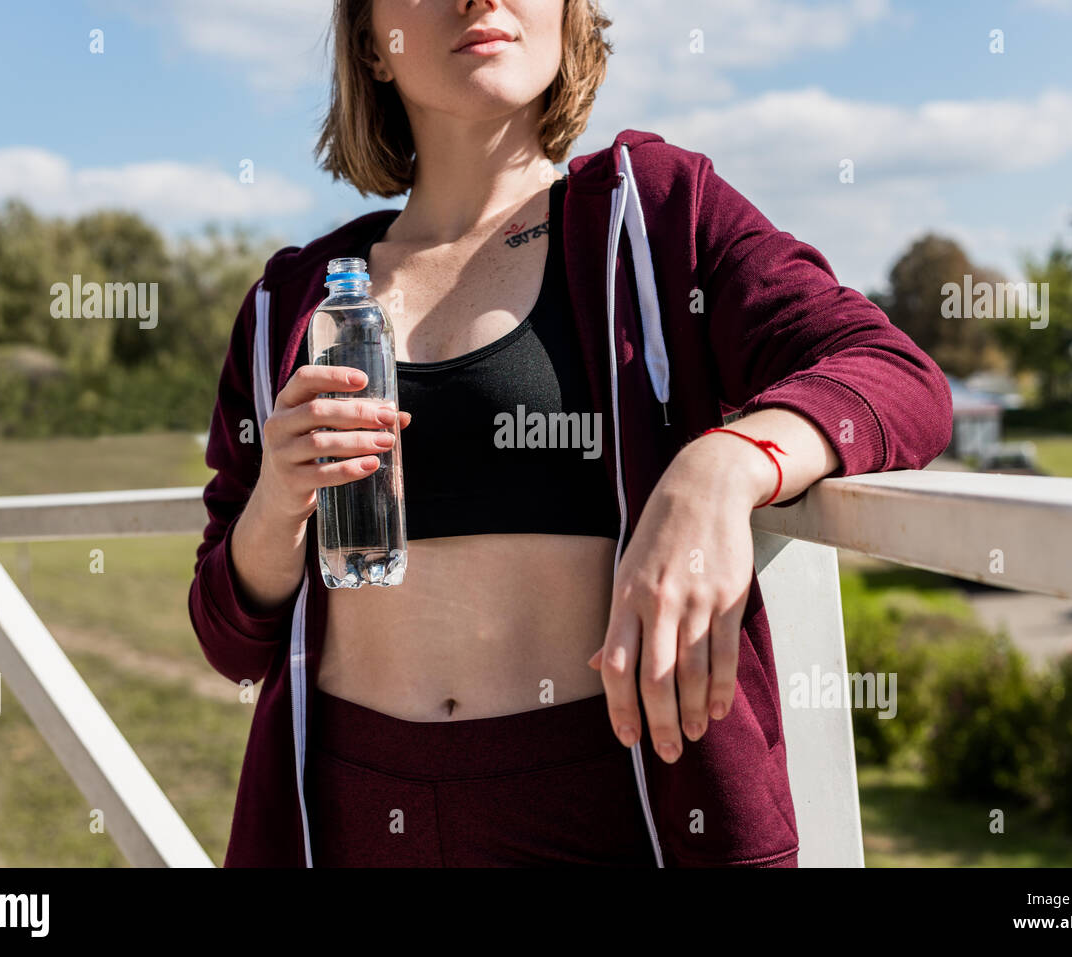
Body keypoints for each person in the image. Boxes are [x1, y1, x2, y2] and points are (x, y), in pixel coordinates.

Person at [187, 0, 954, 867]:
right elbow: (230, 638)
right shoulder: (288, 305)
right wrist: (279, 505)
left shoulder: (660, 214)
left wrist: (727, 463)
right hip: (349, 812)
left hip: (613, 805)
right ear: (370, 43)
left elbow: (894, 372)